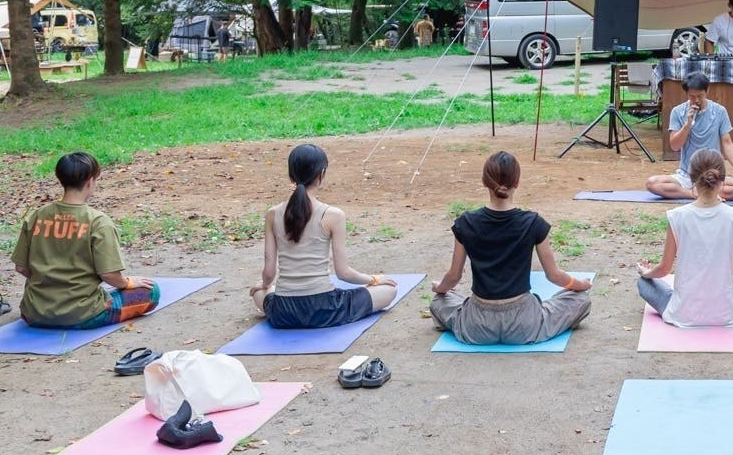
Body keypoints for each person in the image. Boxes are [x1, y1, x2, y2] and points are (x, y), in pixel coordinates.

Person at [431, 151, 592, 344]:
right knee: (581, 299)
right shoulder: (533, 222)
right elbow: (554, 275)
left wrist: (440, 288)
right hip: (524, 324)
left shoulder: (466, 223)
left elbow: (454, 277)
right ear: (516, 183)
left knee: (438, 301)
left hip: (478, 325)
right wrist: (580, 285)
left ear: (484, 182)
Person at [249, 144, 396, 328]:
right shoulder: (333, 215)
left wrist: (264, 286)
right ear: (321, 174)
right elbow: (344, 273)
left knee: (257, 292)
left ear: (291, 175)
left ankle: (269, 292)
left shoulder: (273, 213)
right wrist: (374, 280)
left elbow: (269, 273)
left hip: (283, 313)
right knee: (389, 290)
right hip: (325, 309)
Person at [13, 152, 159, 329]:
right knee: (151, 292)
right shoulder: (98, 222)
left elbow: (21, 267)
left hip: (34, 314)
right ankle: (79, 319)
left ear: (61, 179)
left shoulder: (36, 216)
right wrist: (128, 282)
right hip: (83, 314)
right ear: (90, 181)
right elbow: (109, 275)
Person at [637, 149, 733, 326]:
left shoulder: (677, 215)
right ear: (722, 180)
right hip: (726, 313)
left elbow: (664, 269)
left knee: (643, 283)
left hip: (683, 313)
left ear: (691, 179)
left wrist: (646, 273)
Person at [646, 74, 733, 201]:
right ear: (686, 94)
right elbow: (674, 146)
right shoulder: (677, 112)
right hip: (687, 175)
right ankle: (695, 194)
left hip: (713, 175)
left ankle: (707, 191)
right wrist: (687, 124)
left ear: (707, 91)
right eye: (692, 96)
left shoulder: (719, 111)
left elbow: (727, 143)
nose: (696, 100)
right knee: (652, 183)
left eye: (700, 96)